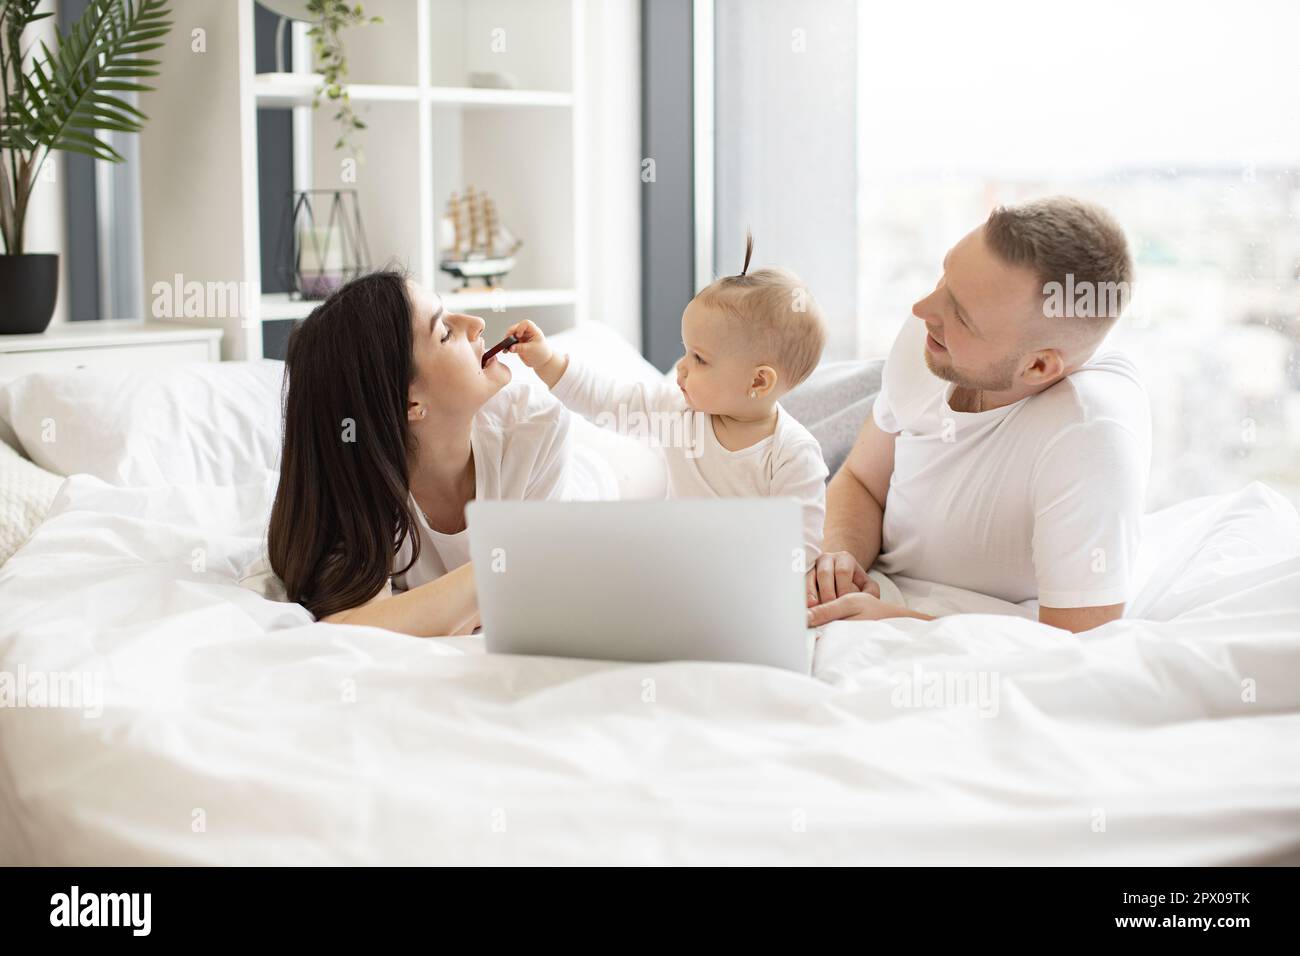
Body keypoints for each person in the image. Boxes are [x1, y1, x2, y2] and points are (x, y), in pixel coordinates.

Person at [807, 197, 1150, 634]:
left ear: (1038, 366)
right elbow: (860, 480)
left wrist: (899, 623)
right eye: (945, 277)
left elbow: (1077, 641)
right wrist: (839, 560)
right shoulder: (929, 335)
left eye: (962, 318)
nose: (922, 310)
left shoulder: (1091, 440)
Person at [268, 270, 574, 636]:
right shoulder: (355, 488)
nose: (477, 324)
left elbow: (532, 593)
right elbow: (351, 626)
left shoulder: (536, 427)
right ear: (409, 403)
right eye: (445, 331)